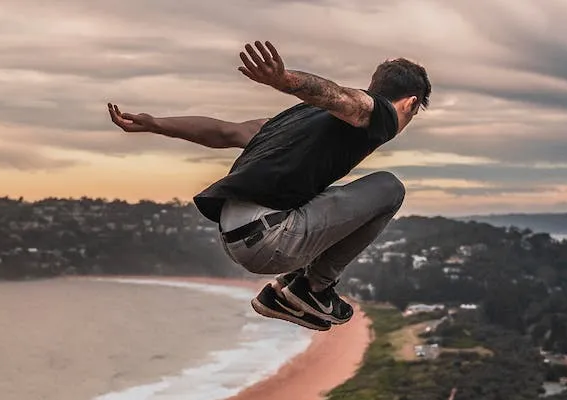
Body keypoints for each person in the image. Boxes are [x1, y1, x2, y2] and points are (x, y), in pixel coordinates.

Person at [108, 40, 430, 331]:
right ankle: (315, 288)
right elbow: (347, 98)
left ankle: (285, 290)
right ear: (411, 104)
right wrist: (284, 80)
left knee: (327, 192)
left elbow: (225, 132)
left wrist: (158, 125)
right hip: (269, 239)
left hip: (237, 236)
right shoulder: (380, 114)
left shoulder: (298, 119)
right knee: (390, 188)